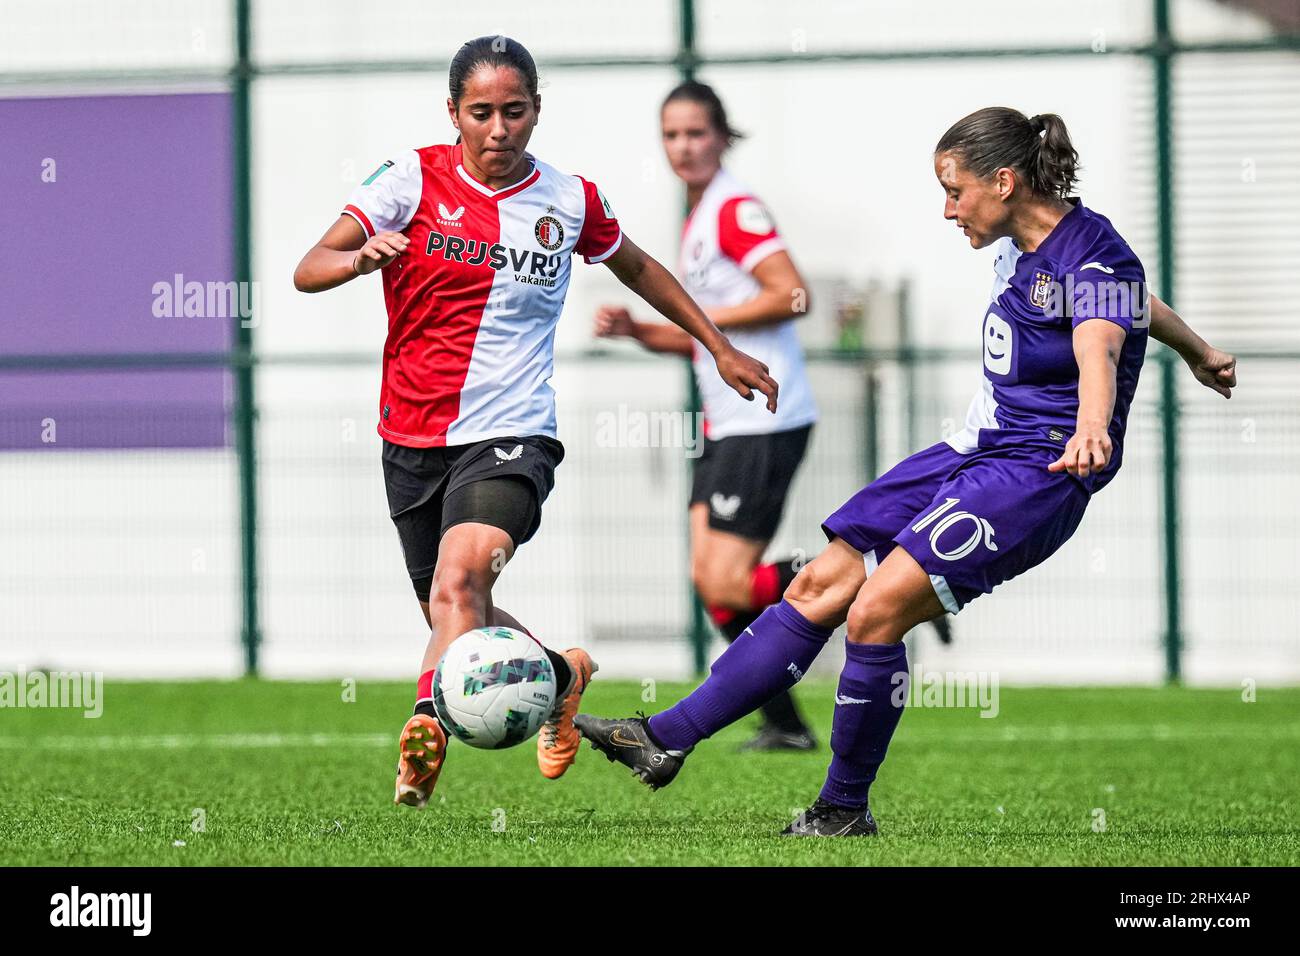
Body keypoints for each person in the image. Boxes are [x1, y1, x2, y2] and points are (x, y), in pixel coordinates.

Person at [575, 107, 1237, 836]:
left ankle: (841, 810)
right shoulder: (1027, 239)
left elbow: (1100, 345)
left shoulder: (1092, 255)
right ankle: (664, 736)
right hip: (971, 448)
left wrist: (1090, 425)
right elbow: (1134, 305)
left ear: (1005, 181)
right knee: (820, 581)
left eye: (955, 191)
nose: (948, 208)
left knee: (875, 609)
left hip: (1036, 469)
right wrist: (1196, 349)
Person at [293, 36, 778, 809]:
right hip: (412, 435)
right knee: (454, 611)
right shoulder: (409, 178)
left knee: (462, 579)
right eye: (480, 112)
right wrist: (358, 259)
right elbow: (307, 267)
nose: (498, 129)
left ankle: (427, 728)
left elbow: (641, 267)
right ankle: (560, 673)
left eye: (514, 112)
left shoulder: (568, 198)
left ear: (536, 111)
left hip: (513, 431)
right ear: (452, 112)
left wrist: (717, 346)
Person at [596, 81, 952, 752]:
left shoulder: (733, 209)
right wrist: (647, 334)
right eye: (671, 135)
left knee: (728, 578)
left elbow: (790, 294)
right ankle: (785, 725)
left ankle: (878, 578)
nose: (684, 146)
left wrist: (689, 320)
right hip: (725, 420)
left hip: (764, 413)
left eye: (697, 132)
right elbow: (708, 330)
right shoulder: (700, 217)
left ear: (723, 137)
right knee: (717, 587)